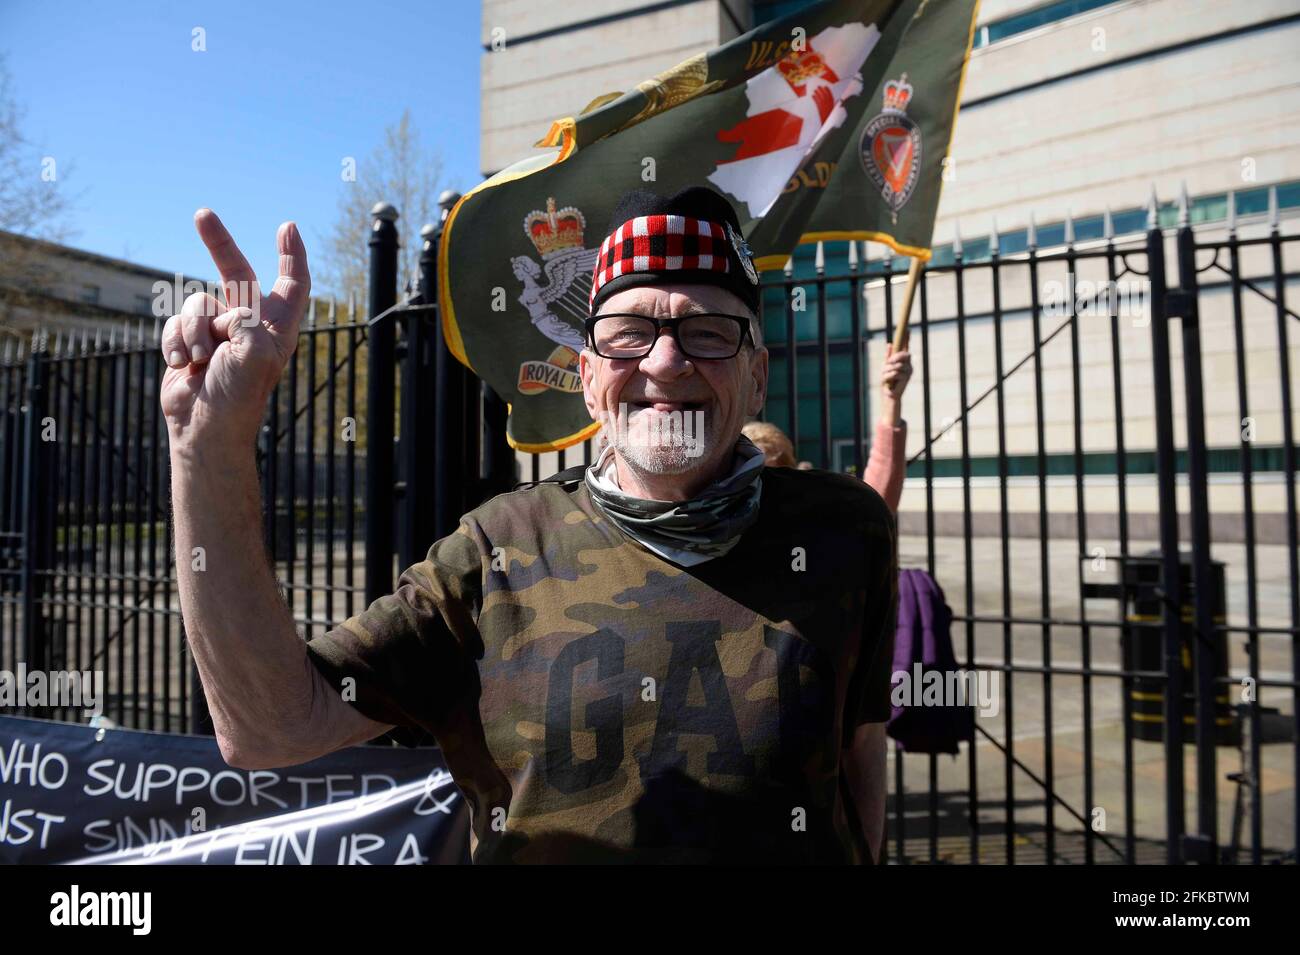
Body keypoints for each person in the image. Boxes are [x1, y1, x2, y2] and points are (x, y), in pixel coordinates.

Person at [159, 185, 897, 865]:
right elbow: (270, 728)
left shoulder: (844, 530)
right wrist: (209, 445)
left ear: (759, 374)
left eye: (709, 332)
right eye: (629, 332)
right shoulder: (493, 551)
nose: (667, 362)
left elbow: (861, 751)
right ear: (587, 379)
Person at [742, 343, 912, 513]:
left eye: (771, 476)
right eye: (754, 476)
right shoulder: (723, 527)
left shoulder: (809, 522)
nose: (763, 490)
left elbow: (873, 506)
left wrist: (891, 401)